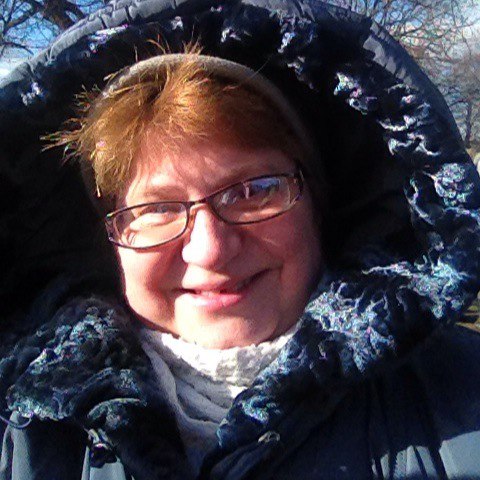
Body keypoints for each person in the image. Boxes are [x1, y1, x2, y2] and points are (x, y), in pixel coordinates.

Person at [1, 1, 480, 479]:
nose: (210, 249)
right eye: (157, 208)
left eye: (253, 191)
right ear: (112, 242)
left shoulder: (464, 390)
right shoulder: (20, 433)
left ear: (317, 206)